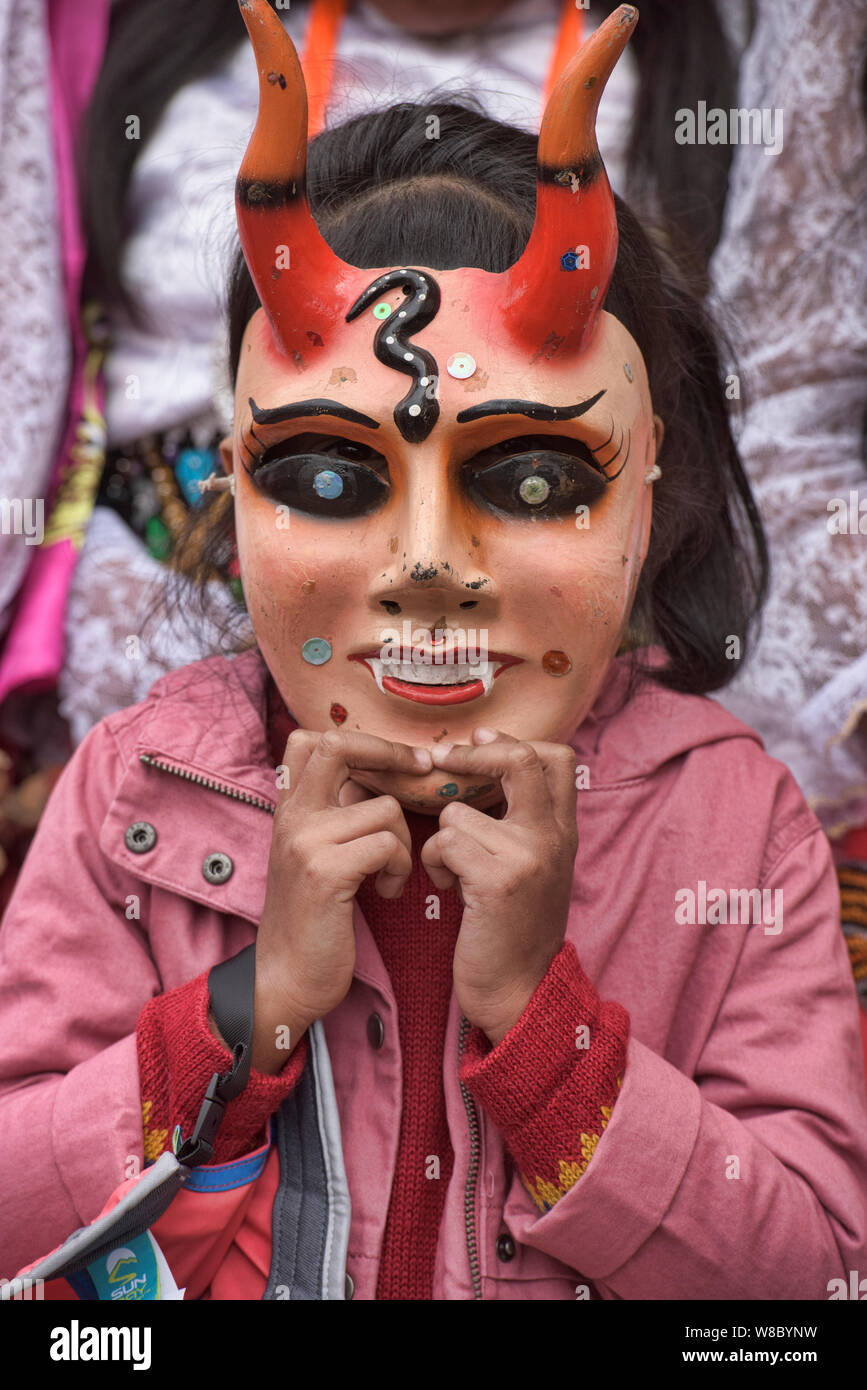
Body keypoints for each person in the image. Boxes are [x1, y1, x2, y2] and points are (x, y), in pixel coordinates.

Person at [1, 3, 865, 1301]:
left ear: (649, 487)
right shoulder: (134, 799)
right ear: (236, 485)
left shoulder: (732, 829)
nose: (427, 561)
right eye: (333, 478)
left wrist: (546, 1028)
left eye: (526, 478)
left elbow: (809, 1288)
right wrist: (246, 1008)